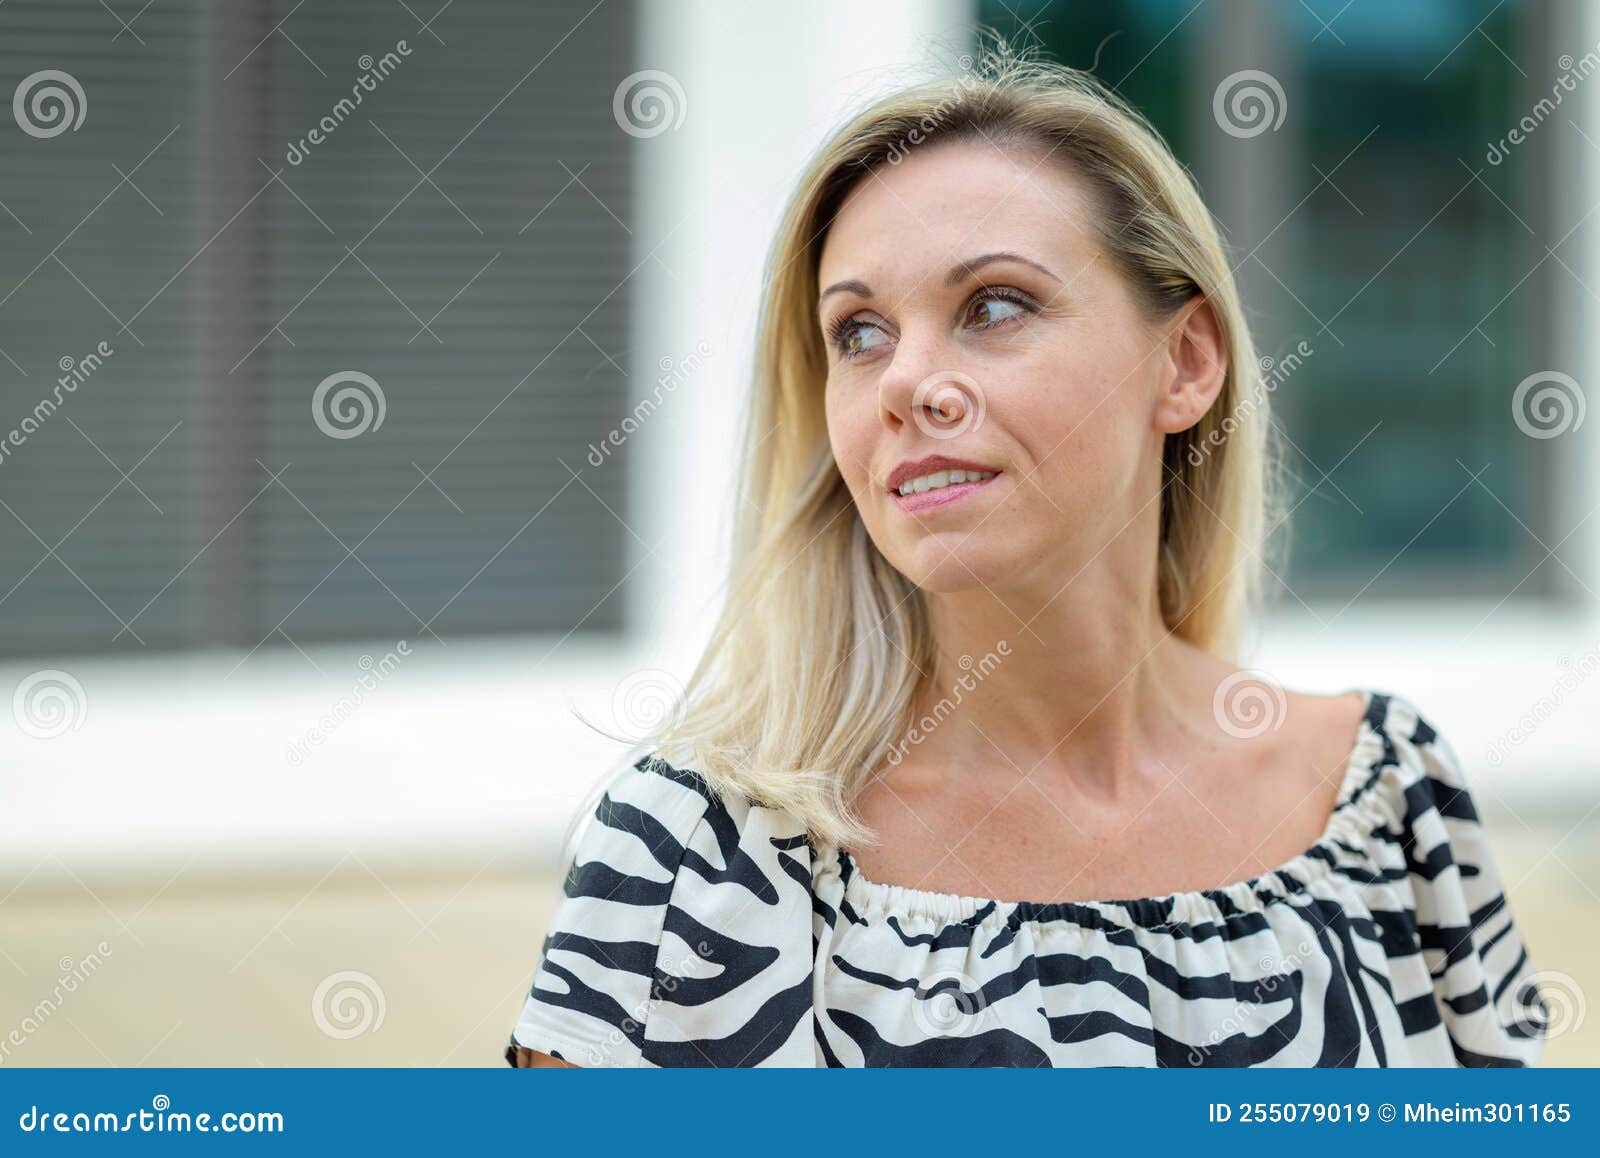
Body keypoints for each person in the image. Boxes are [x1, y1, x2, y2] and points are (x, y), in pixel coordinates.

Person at [505, 48, 1547, 1068]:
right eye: (858, 333)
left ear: (1183, 363)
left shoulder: (1391, 801)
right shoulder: (695, 854)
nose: (907, 382)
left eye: (992, 307)